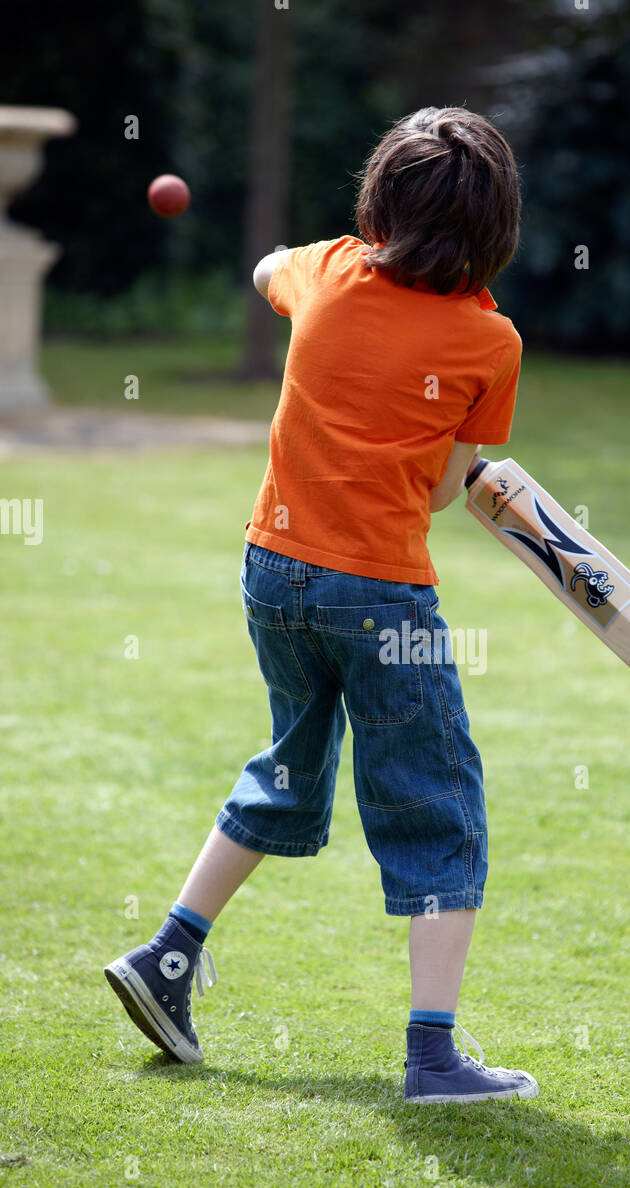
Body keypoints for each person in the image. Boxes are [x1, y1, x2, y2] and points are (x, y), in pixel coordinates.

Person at [104, 106, 538, 1104]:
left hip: (273, 569)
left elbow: (268, 271)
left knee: (291, 768)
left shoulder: (328, 269)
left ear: (380, 200)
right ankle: (432, 1057)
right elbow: (438, 491)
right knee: (438, 807)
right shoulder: (490, 341)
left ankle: (170, 955)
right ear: (494, 228)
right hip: (381, 589)